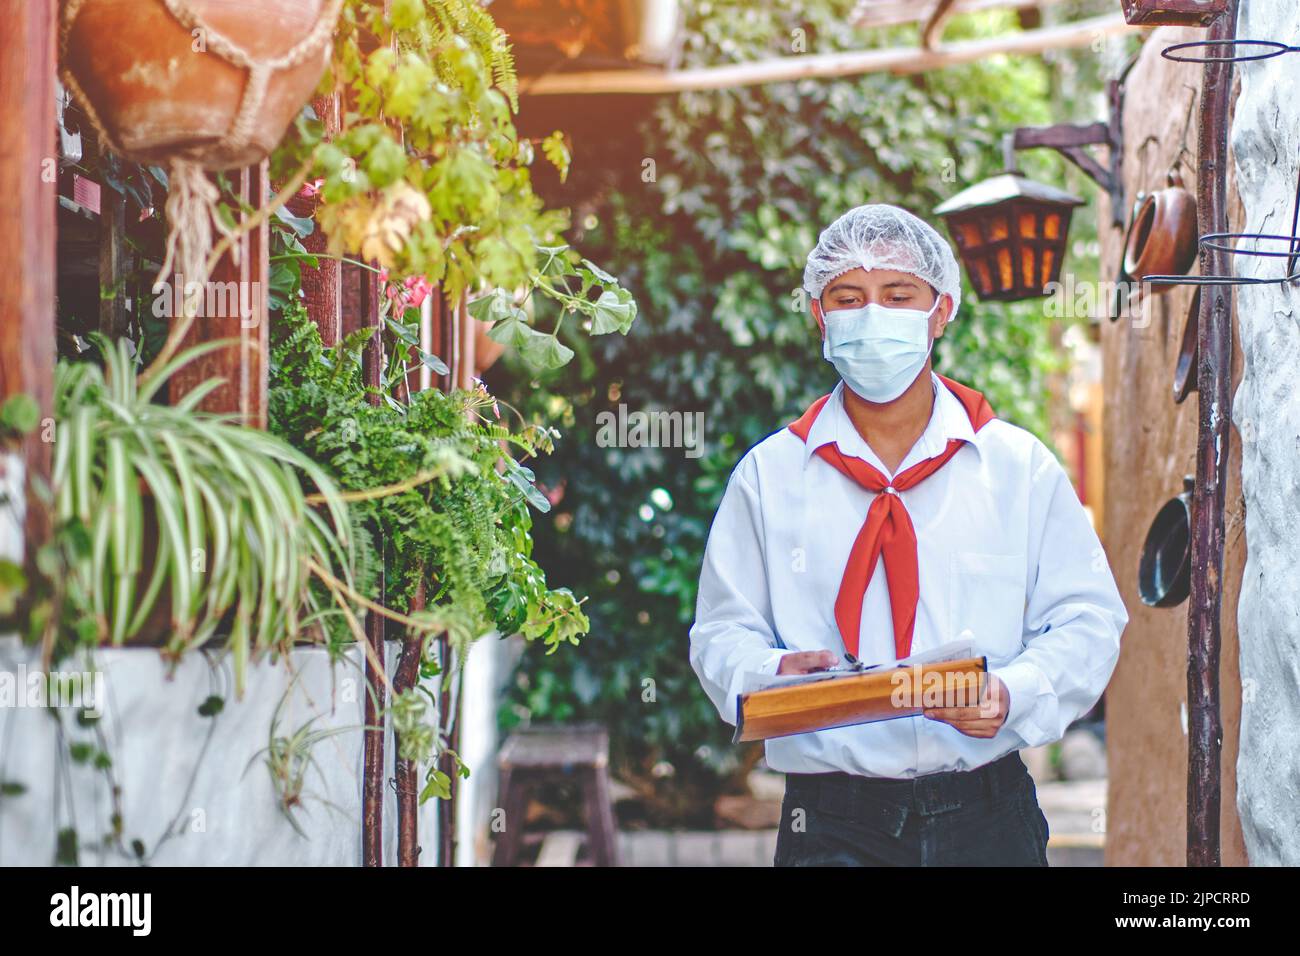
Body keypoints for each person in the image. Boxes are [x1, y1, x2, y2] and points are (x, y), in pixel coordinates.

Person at [688, 203, 1129, 866]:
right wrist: (774, 671)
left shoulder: (1016, 467)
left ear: (940, 311)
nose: (872, 316)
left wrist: (1015, 692)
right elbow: (720, 634)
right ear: (819, 316)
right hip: (829, 820)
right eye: (847, 297)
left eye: (898, 295)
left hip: (988, 814)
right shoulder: (769, 475)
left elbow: (1088, 616)